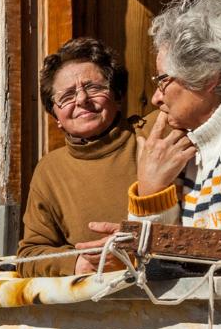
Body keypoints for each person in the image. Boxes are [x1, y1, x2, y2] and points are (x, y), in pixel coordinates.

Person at [16, 37, 142, 277]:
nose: (82, 100)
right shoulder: (50, 170)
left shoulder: (150, 135)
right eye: (67, 96)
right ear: (56, 117)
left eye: (93, 87)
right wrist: (79, 264)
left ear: (117, 95)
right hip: (97, 304)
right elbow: (28, 256)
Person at [127, 0, 221, 230]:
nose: (155, 98)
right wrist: (151, 192)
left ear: (208, 77)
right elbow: (173, 253)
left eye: (162, 81)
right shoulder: (189, 149)